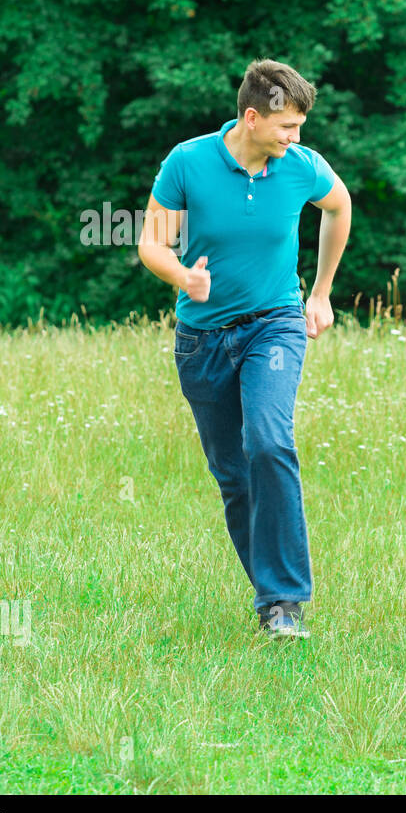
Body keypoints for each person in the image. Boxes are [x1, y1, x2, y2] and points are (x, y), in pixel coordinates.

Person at [136, 58, 351, 640]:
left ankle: (284, 601)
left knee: (269, 441)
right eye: (287, 126)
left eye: (301, 126)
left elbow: (339, 206)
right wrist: (183, 276)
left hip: (273, 325)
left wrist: (322, 292)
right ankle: (270, 595)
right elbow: (152, 242)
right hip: (201, 340)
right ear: (252, 118)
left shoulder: (302, 166)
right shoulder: (188, 162)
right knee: (233, 475)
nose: (296, 138)